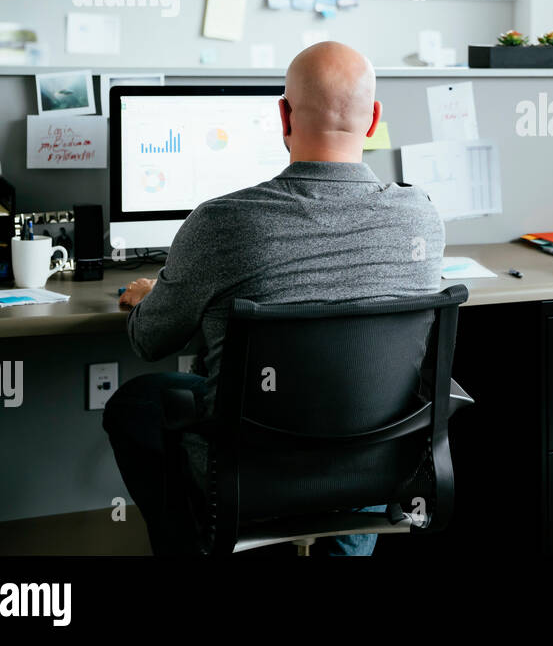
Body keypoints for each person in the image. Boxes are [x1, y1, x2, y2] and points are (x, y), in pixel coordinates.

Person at [102, 42, 444, 555]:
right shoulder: (422, 217)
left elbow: (149, 340)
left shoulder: (222, 222)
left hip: (253, 468)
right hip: (378, 464)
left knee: (137, 403)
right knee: (353, 405)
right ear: (373, 120)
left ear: (282, 115)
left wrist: (164, 291)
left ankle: (201, 544)